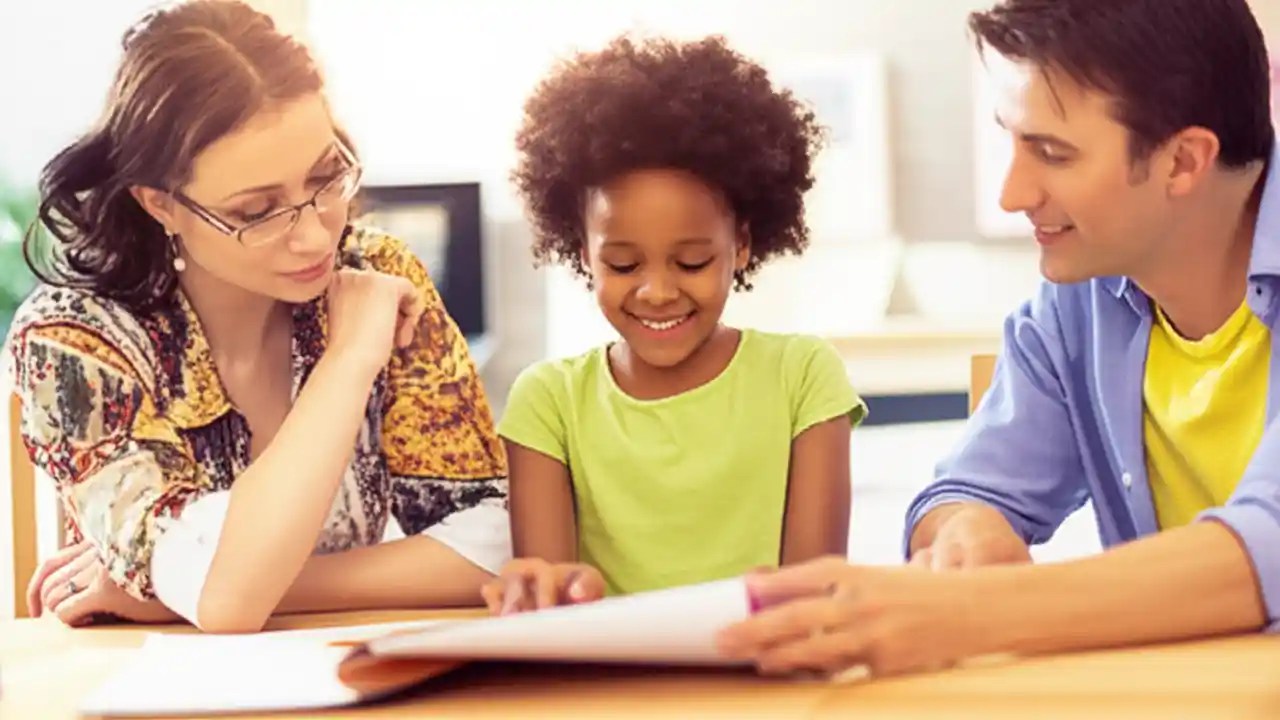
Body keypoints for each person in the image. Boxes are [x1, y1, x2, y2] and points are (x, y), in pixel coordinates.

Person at [716, 0, 1279, 677]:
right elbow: (965, 491)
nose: (1013, 193)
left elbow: (1268, 543)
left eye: (1051, 153)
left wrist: (966, 613)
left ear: (1184, 161)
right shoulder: (1078, 303)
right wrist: (968, 532)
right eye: (1010, 142)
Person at [8, 0, 510, 633]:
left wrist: (203, 590)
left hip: (343, 672)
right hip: (148, 684)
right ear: (160, 204)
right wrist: (350, 361)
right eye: (256, 212)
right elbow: (229, 601)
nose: (315, 237)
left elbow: (495, 544)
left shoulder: (374, 277)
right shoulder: (75, 344)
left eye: (326, 177)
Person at [479, 34, 867, 615]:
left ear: (741, 245)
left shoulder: (802, 377)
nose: (657, 292)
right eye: (623, 263)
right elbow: (554, 611)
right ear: (583, 253)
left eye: (691, 262)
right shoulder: (549, 401)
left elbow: (808, 596)